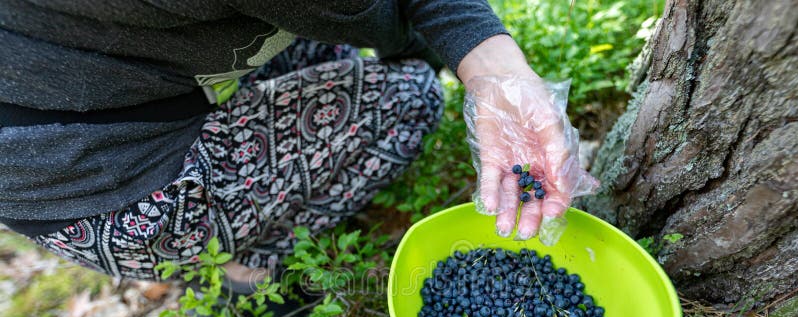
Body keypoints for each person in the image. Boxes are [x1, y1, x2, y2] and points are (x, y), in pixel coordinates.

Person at [0, 1, 587, 292]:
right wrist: (481, 60)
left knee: (325, 57)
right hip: (104, 192)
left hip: (67, 122)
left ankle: (223, 233)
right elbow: (388, 21)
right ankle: (244, 269)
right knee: (411, 95)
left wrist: (499, 76)